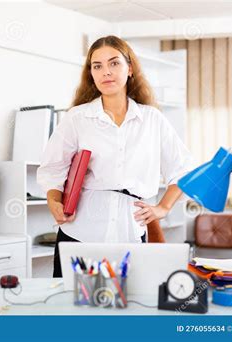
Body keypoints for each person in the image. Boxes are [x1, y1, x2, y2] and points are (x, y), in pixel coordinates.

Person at [36, 35, 195, 277]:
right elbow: (52, 169)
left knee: (127, 306)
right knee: (70, 308)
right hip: (81, 233)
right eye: (97, 66)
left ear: (130, 68)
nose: (105, 72)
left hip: (130, 232)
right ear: (91, 73)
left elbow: (183, 169)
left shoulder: (152, 119)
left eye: (114, 63)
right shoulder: (77, 118)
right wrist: (53, 202)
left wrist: (163, 208)